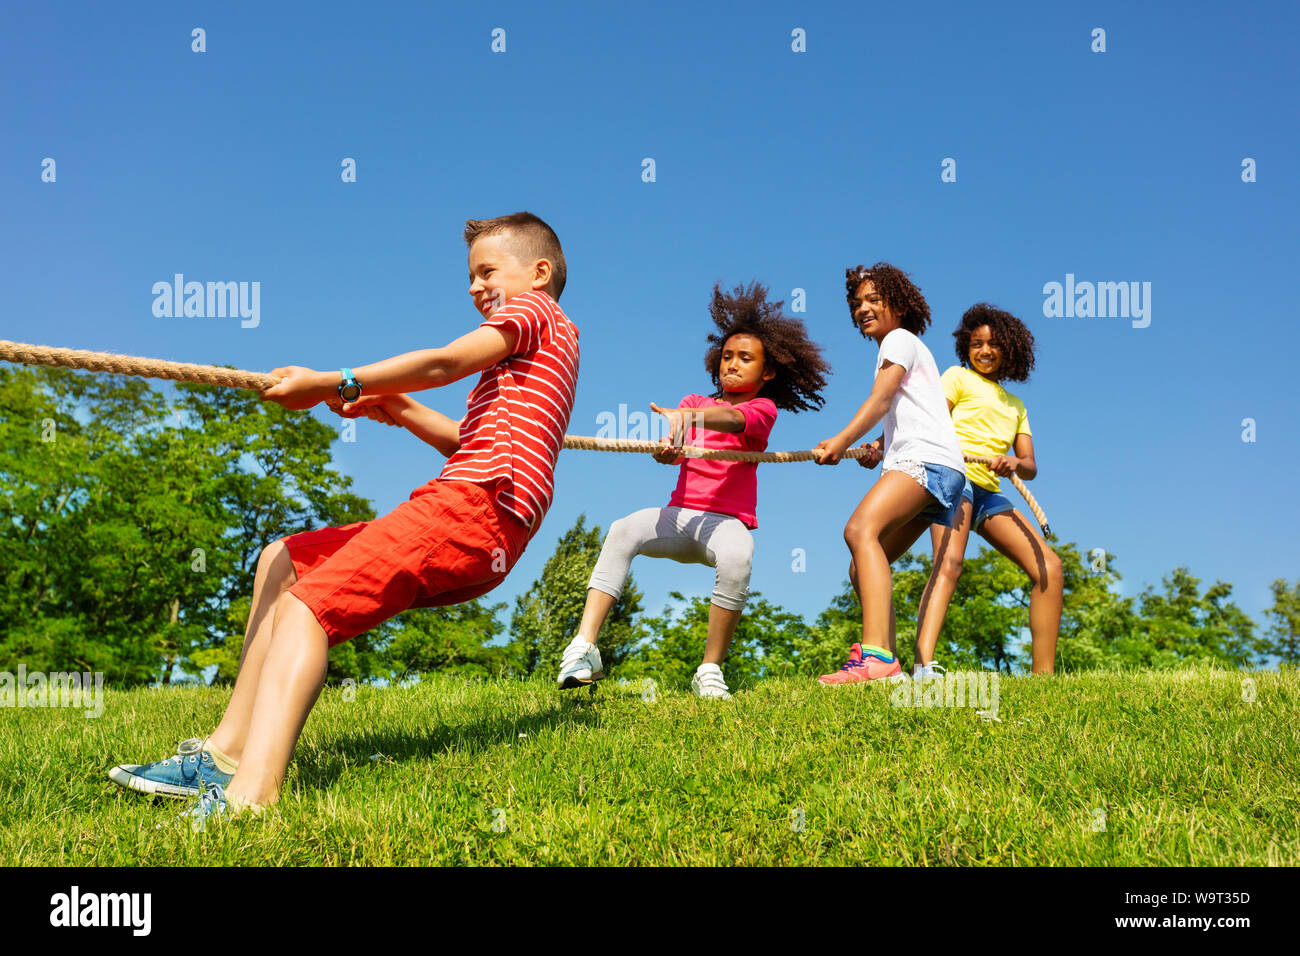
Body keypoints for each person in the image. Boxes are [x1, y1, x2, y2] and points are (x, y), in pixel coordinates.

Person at [108, 211, 579, 824]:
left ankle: (251, 798)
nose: (473, 287)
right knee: (284, 560)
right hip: (482, 519)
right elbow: (465, 439)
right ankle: (223, 754)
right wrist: (399, 407)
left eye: (487, 271)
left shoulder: (536, 314)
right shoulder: (529, 365)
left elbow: (443, 363)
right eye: (469, 276)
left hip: (474, 508)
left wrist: (339, 381)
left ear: (538, 274)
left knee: (305, 607)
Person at [556, 282, 828, 699]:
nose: (732, 364)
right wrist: (670, 448)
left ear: (767, 371)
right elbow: (679, 445)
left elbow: (733, 421)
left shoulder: (761, 409)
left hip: (725, 525)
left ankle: (709, 670)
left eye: (745, 358)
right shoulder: (693, 401)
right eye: (726, 357)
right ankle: (584, 647)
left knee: (739, 556)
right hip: (681, 519)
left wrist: (690, 417)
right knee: (622, 529)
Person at [814, 263, 966, 685]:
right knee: (862, 563)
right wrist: (878, 449)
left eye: (873, 300)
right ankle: (889, 666)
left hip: (926, 463)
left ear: (898, 304)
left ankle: (877, 656)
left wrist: (842, 440)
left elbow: (881, 400)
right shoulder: (910, 348)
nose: (862, 308)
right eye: (856, 303)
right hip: (939, 470)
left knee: (859, 530)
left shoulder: (898, 340)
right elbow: (911, 413)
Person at [897, 303, 1060, 676]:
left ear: (1010, 350)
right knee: (949, 563)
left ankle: (1045, 678)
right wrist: (879, 444)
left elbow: (1030, 466)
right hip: (954, 476)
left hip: (989, 490)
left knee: (1049, 567)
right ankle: (922, 666)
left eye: (992, 344)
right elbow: (925, 420)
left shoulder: (1016, 405)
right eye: (976, 344)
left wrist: (1015, 464)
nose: (984, 351)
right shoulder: (957, 377)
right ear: (965, 348)